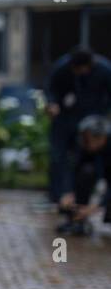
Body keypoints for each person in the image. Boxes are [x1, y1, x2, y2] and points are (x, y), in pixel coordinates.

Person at [45, 46, 111, 203]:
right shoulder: (63, 66)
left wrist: (103, 116)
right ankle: (58, 195)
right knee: (58, 156)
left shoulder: (104, 70)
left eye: (80, 69)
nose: (77, 72)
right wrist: (52, 103)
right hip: (65, 117)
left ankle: (80, 197)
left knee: (83, 159)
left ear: (89, 66)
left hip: (91, 121)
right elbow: (50, 87)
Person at [57, 114, 111, 236]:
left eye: (88, 138)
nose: (84, 141)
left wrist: (95, 207)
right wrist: (68, 192)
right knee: (85, 172)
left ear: (102, 137)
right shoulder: (83, 146)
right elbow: (71, 168)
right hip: (96, 169)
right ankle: (77, 218)